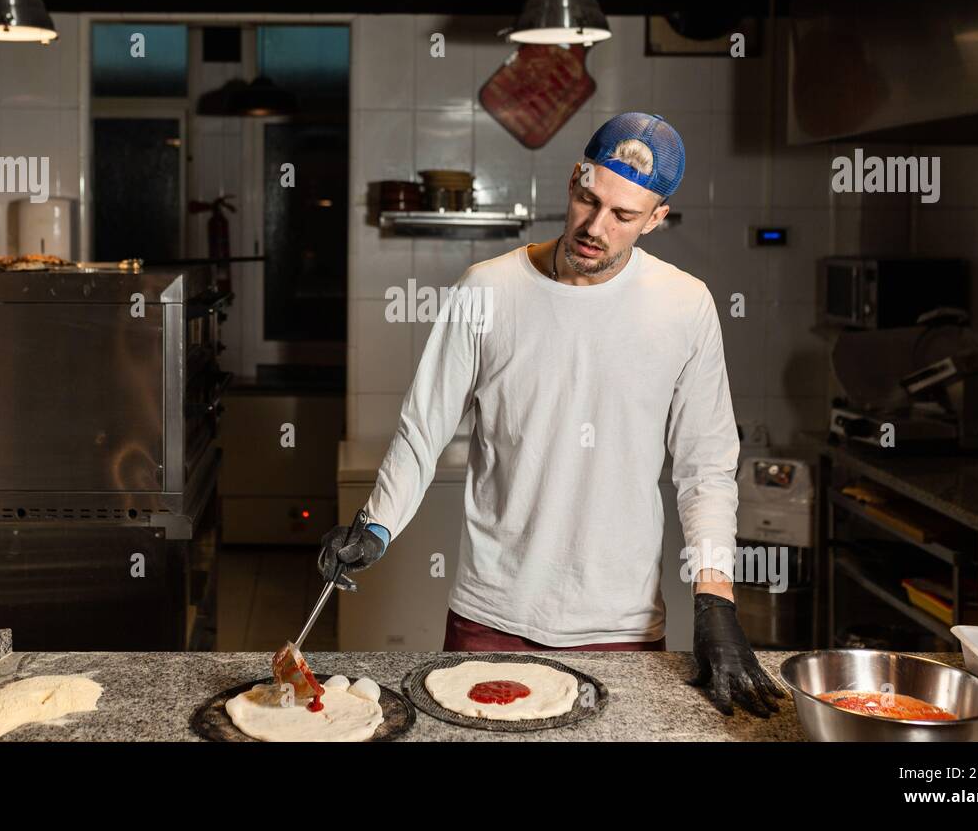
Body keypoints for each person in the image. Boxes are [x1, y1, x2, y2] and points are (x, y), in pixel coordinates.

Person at [319, 112, 784, 717]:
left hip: (623, 623)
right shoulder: (485, 291)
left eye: (623, 215)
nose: (595, 227)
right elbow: (422, 428)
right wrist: (377, 523)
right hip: (490, 614)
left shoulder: (685, 306)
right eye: (587, 200)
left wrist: (715, 597)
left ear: (656, 219)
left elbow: (706, 468)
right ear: (573, 180)